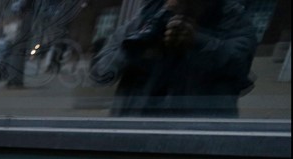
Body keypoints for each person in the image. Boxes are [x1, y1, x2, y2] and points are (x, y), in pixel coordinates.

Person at [89, 0, 258, 117]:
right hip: (135, 130)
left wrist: (197, 41)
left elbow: (240, 67)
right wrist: (136, 49)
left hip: (199, 138)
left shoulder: (231, 19)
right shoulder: (147, 17)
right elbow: (101, 73)